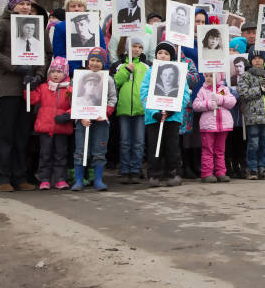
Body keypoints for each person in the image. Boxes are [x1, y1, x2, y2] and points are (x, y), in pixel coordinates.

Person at [0, 0, 48, 192]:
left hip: (29, 89)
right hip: (8, 87)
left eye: (28, 4)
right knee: (5, 134)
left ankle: (20, 176)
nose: (25, 7)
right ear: (12, 6)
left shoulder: (37, 25)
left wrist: (39, 75)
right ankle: (2, 177)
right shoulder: (2, 25)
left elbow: (45, 53)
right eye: (21, 3)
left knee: (22, 134)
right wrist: (14, 66)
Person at [141, 41, 192, 187]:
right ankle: (154, 174)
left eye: (166, 53)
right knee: (154, 146)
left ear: (171, 57)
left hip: (173, 117)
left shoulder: (179, 72)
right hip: (154, 118)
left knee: (172, 146)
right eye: (160, 53)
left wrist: (173, 110)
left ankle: (174, 172)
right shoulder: (150, 72)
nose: (162, 56)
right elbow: (144, 93)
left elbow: (184, 94)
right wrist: (154, 112)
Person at [71, 47, 116, 191]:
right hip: (82, 122)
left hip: (101, 122)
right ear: (88, 61)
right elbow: (72, 100)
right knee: (80, 151)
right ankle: (79, 180)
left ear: (104, 63)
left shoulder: (108, 79)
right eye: (93, 60)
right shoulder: (77, 78)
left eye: (99, 61)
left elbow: (112, 98)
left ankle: (98, 180)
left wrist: (105, 112)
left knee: (99, 151)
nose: (95, 63)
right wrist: (80, 117)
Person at [28, 57, 73, 190]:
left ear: (65, 73)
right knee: (45, 154)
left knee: (61, 155)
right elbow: (32, 99)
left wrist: (67, 114)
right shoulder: (43, 87)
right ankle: (45, 179)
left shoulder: (69, 89)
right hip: (45, 127)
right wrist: (28, 88)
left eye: (59, 72)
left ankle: (60, 179)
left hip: (61, 128)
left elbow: (75, 105)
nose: (55, 74)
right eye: (53, 71)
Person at [238, 50, 265, 179]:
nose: (257, 60)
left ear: (264, 60)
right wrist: (260, 89)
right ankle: (252, 168)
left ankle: (263, 168)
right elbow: (243, 93)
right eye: (254, 58)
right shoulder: (246, 76)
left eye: (260, 58)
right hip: (253, 117)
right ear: (250, 60)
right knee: (253, 143)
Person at [114, 36, 149, 184]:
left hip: (140, 110)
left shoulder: (146, 67)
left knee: (139, 142)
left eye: (140, 47)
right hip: (124, 109)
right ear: (128, 47)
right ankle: (124, 170)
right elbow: (114, 83)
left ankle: (135, 170)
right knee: (125, 142)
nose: (137, 49)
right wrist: (126, 70)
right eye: (134, 46)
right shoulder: (120, 66)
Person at [192, 71, 236, 183]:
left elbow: (232, 101)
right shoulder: (203, 90)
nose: (208, 78)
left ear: (218, 77)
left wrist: (220, 99)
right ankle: (207, 173)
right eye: (206, 76)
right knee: (208, 149)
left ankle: (220, 172)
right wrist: (208, 104)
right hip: (208, 125)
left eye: (211, 76)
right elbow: (195, 105)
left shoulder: (223, 89)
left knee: (220, 150)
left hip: (223, 124)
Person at [52, 0, 108, 76]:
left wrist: (103, 69)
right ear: (67, 9)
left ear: (84, 8)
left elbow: (102, 50)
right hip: (72, 73)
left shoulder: (95, 25)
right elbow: (59, 54)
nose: (76, 9)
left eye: (80, 6)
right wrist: (76, 68)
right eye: (73, 6)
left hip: (94, 70)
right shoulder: (60, 27)